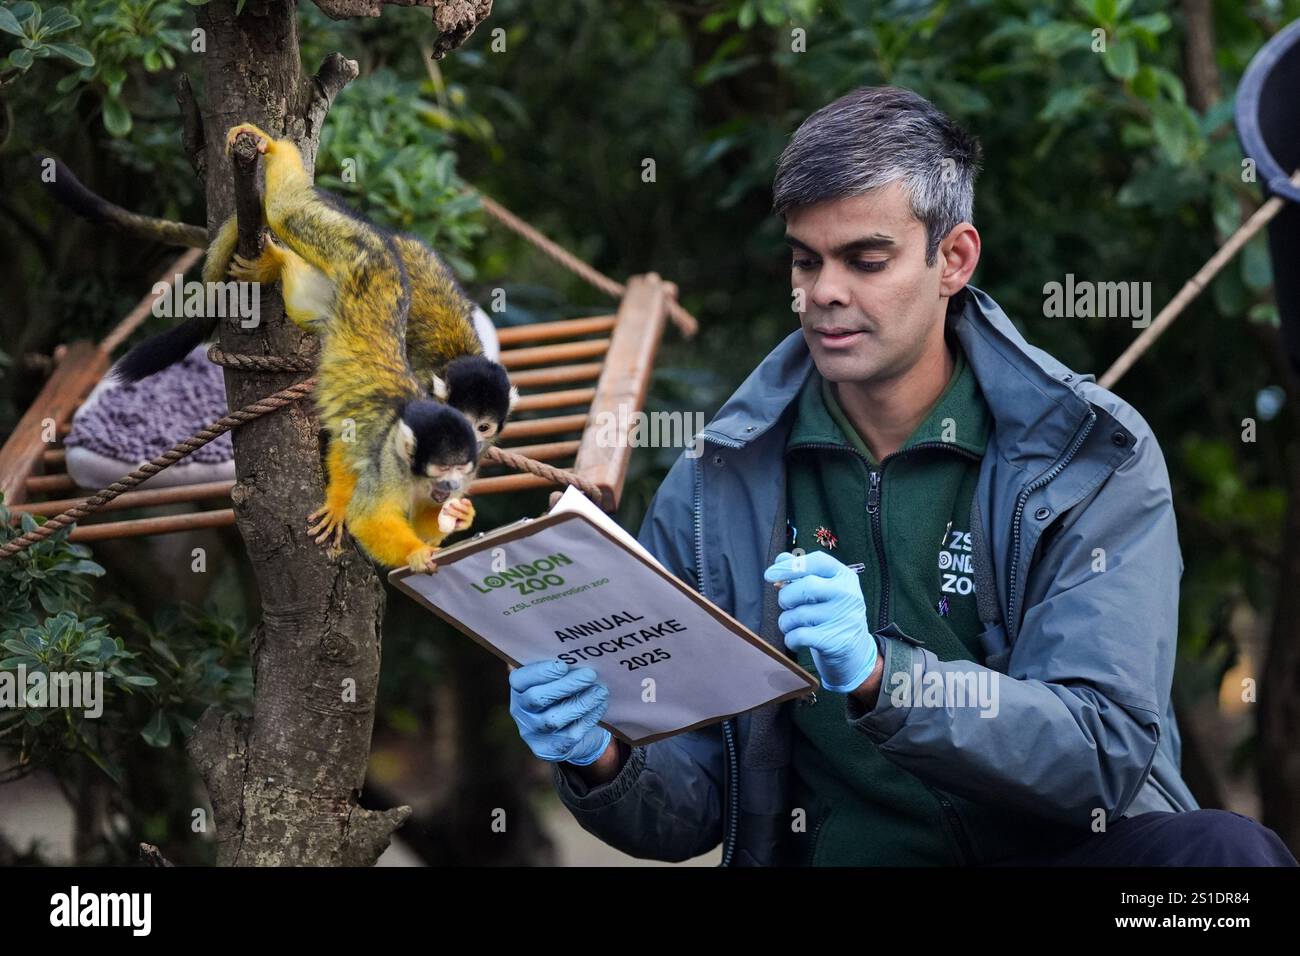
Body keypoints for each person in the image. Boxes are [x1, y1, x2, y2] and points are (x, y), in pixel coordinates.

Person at [505, 86, 1298, 867]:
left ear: (952, 258)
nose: (824, 293)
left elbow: (1100, 749)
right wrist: (601, 754)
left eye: (865, 259)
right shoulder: (717, 485)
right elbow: (696, 806)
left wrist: (887, 680)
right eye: (806, 261)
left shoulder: (1091, 455)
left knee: (1222, 860)